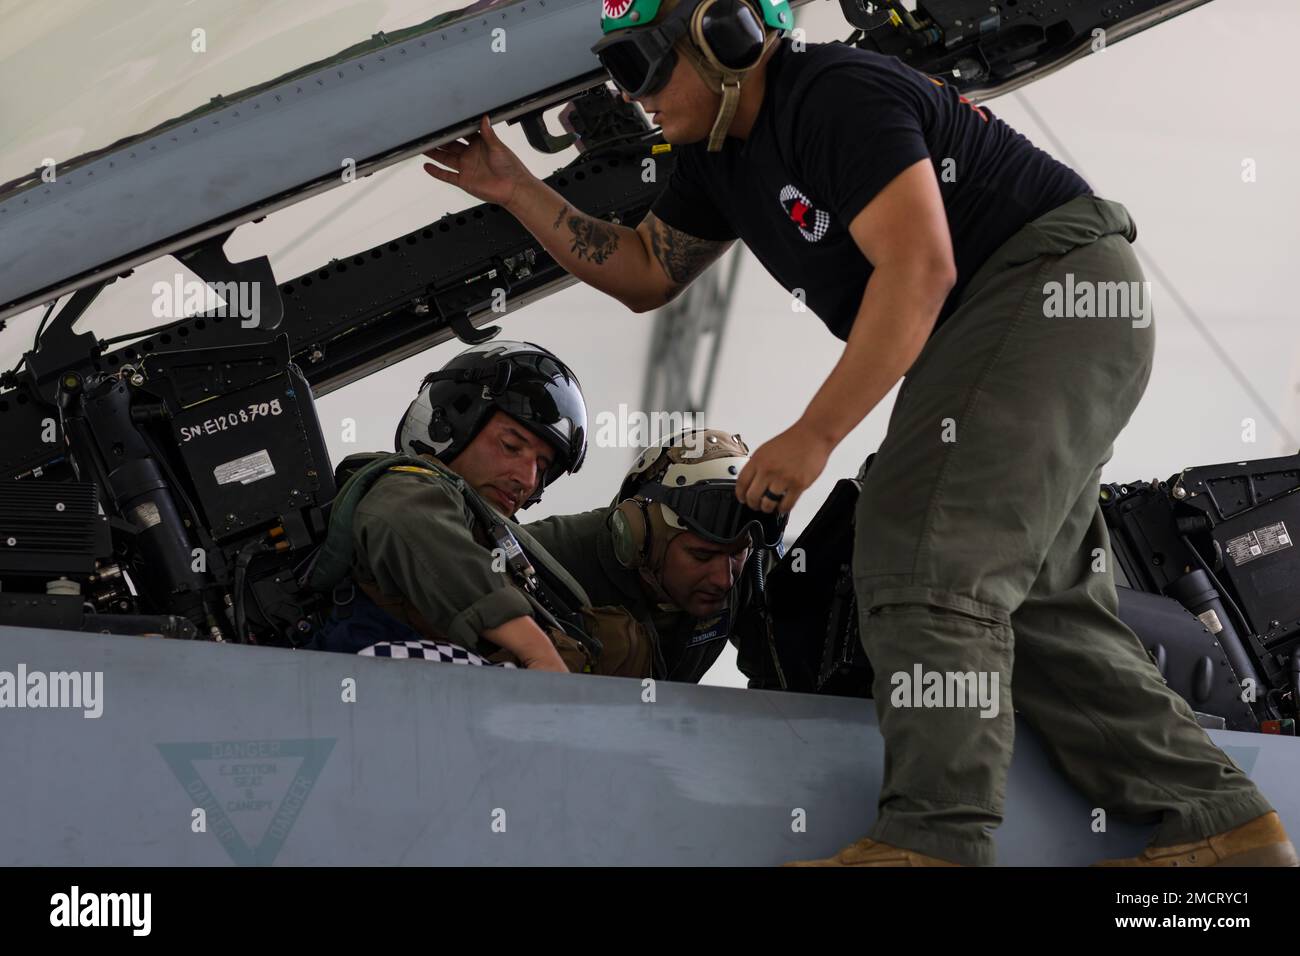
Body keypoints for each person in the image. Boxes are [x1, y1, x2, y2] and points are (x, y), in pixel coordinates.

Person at [420, 0, 1296, 865]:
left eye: (641, 62)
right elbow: (646, 270)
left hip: (1045, 291)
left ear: (725, 33)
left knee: (922, 547)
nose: (632, 92)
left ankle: (936, 839)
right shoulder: (718, 156)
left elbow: (920, 264)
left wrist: (814, 434)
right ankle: (1220, 825)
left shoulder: (833, 94)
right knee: (1035, 600)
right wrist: (513, 186)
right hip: (1021, 320)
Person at [308, 340, 651, 677]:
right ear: (452, 422)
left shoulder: (496, 542)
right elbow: (403, 518)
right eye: (511, 445)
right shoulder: (406, 485)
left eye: (542, 466)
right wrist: (537, 653)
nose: (527, 479)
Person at [527, 428, 785, 682]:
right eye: (701, 556)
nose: (724, 580)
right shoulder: (544, 554)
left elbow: (794, 673)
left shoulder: (755, 566)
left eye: (737, 553)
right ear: (639, 537)